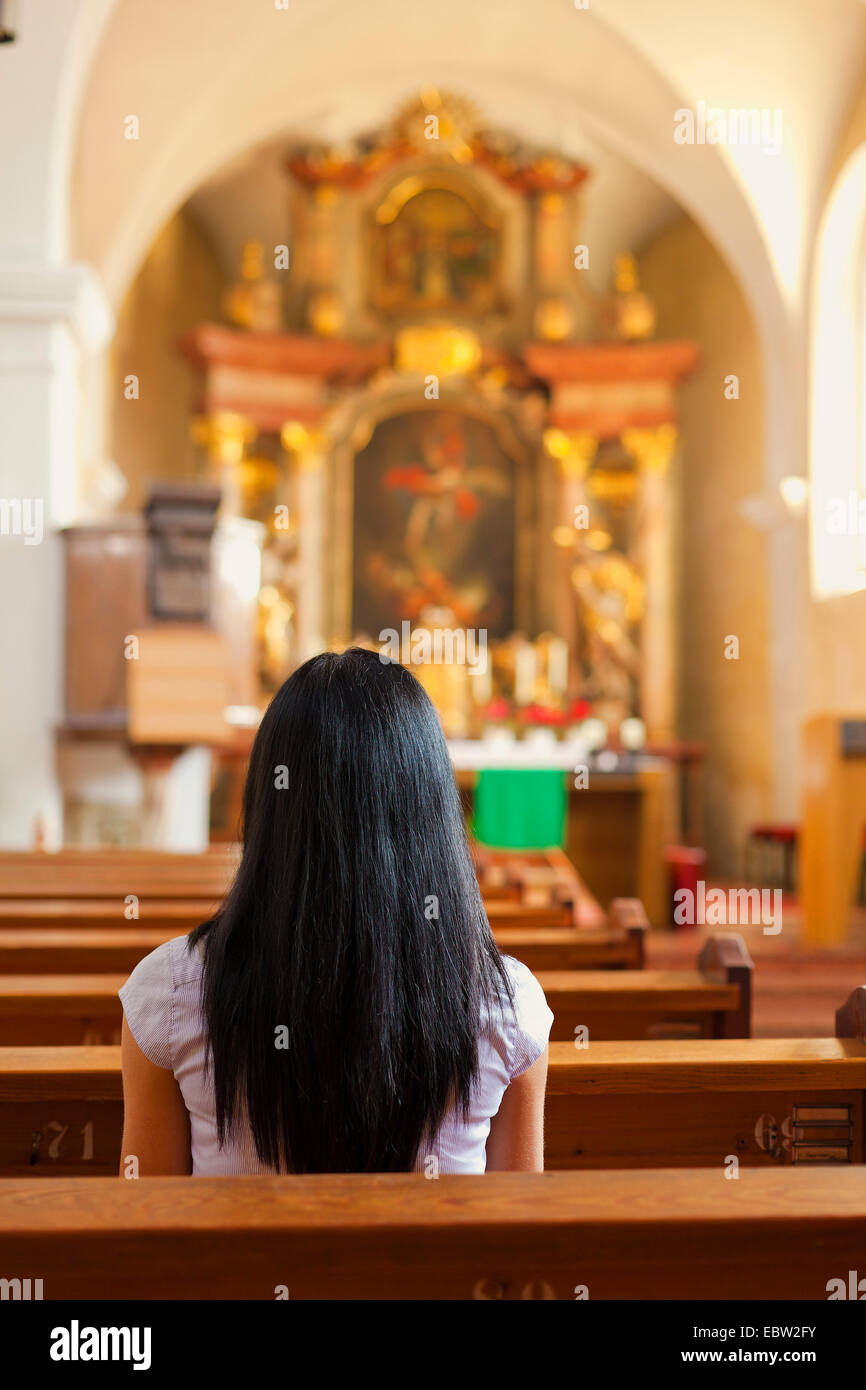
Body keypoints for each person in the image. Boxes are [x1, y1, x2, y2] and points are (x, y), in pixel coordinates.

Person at [119, 647, 552, 1175]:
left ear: (268, 801)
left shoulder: (167, 994)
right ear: (435, 807)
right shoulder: (509, 1007)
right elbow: (520, 1237)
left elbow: (143, 1236)